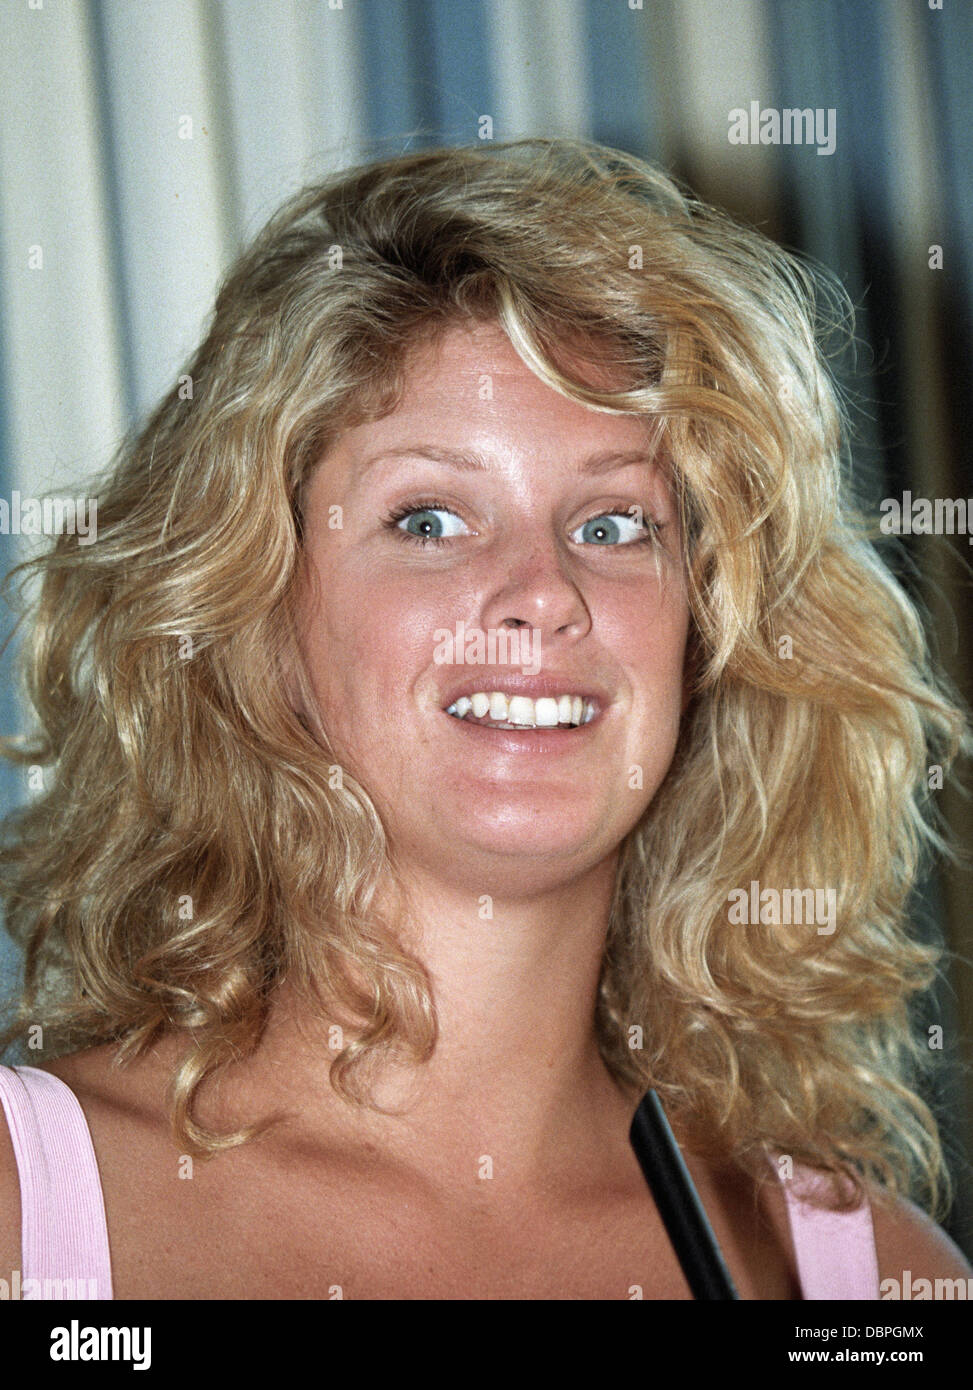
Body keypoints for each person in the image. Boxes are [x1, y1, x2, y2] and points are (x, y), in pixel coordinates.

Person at [0, 138, 970, 1301]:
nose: (543, 594)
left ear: (708, 634)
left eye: (613, 525)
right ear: (255, 613)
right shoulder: (27, 1205)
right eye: (429, 519)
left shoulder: (859, 1274)